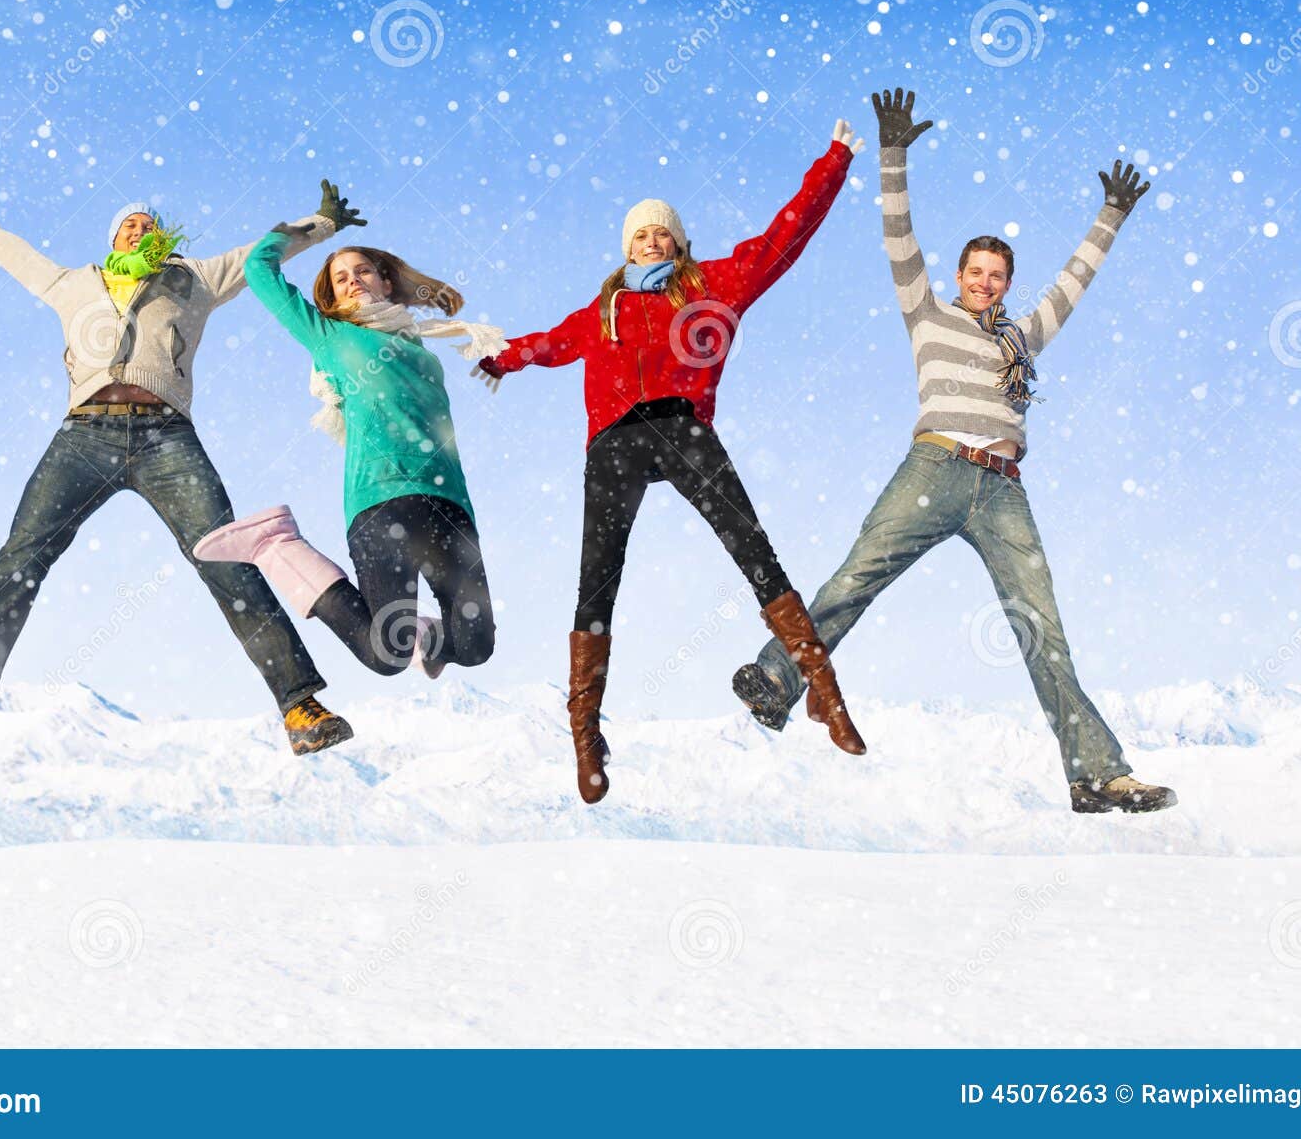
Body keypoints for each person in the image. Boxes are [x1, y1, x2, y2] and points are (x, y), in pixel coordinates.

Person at [732, 88, 1177, 815]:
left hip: (1003, 488)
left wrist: (1110, 217)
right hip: (934, 470)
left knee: (1042, 625)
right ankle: (777, 681)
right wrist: (894, 155)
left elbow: (1075, 281)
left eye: (997, 275)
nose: (985, 282)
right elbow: (898, 234)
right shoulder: (928, 311)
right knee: (856, 576)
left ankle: (1095, 773)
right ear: (960, 275)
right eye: (975, 271)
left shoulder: (1022, 337)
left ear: (1006, 284)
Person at [476, 121, 868, 805]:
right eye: (639, 235)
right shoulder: (602, 311)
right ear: (624, 247)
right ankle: (585, 733)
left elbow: (784, 236)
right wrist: (499, 357)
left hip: (683, 429)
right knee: (596, 582)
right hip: (614, 446)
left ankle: (822, 690)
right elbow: (546, 342)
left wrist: (834, 161)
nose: (650, 242)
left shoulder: (713, 285)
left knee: (754, 551)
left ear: (682, 244)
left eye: (662, 234)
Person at [0, 180, 365, 768]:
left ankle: (300, 708)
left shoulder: (193, 279)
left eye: (148, 223)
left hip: (166, 437)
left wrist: (323, 224)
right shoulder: (75, 283)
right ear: (112, 238)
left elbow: (261, 252)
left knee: (226, 556)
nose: (139, 228)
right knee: (19, 559)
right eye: (128, 224)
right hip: (84, 434)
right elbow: (21, 257)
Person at [193, 234, 501, 680]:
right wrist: (314, 226)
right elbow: (260, 268)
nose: (353, 280)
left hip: (449, 501)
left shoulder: (416, 341)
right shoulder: (330, 335)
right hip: (380, 500)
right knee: (387, 656)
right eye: (341, 279)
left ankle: (428, 636)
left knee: (476, 647)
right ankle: (277, 544)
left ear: (385, 282)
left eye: (362, 271)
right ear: (332, 296)